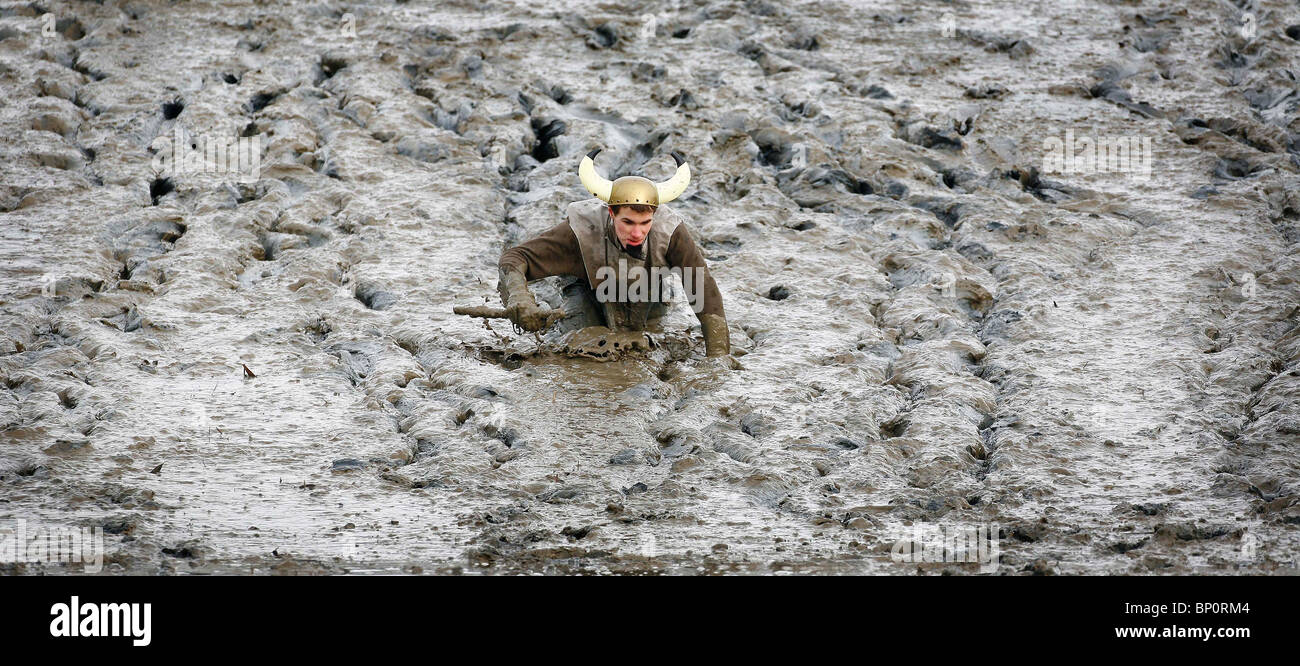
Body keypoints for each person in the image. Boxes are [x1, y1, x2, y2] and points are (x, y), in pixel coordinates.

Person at [497, 149, 731, 357]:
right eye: (628, 222)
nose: (637, 233)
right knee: (582, 345)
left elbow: (702, 289)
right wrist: (519, 297)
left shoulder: (670, 232)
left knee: (649, 344)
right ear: (611, 212)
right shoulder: (580, 230)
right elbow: (515, 257)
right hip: (588, 294)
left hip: (648, 293)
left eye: (645, 222)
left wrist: (718, 356)